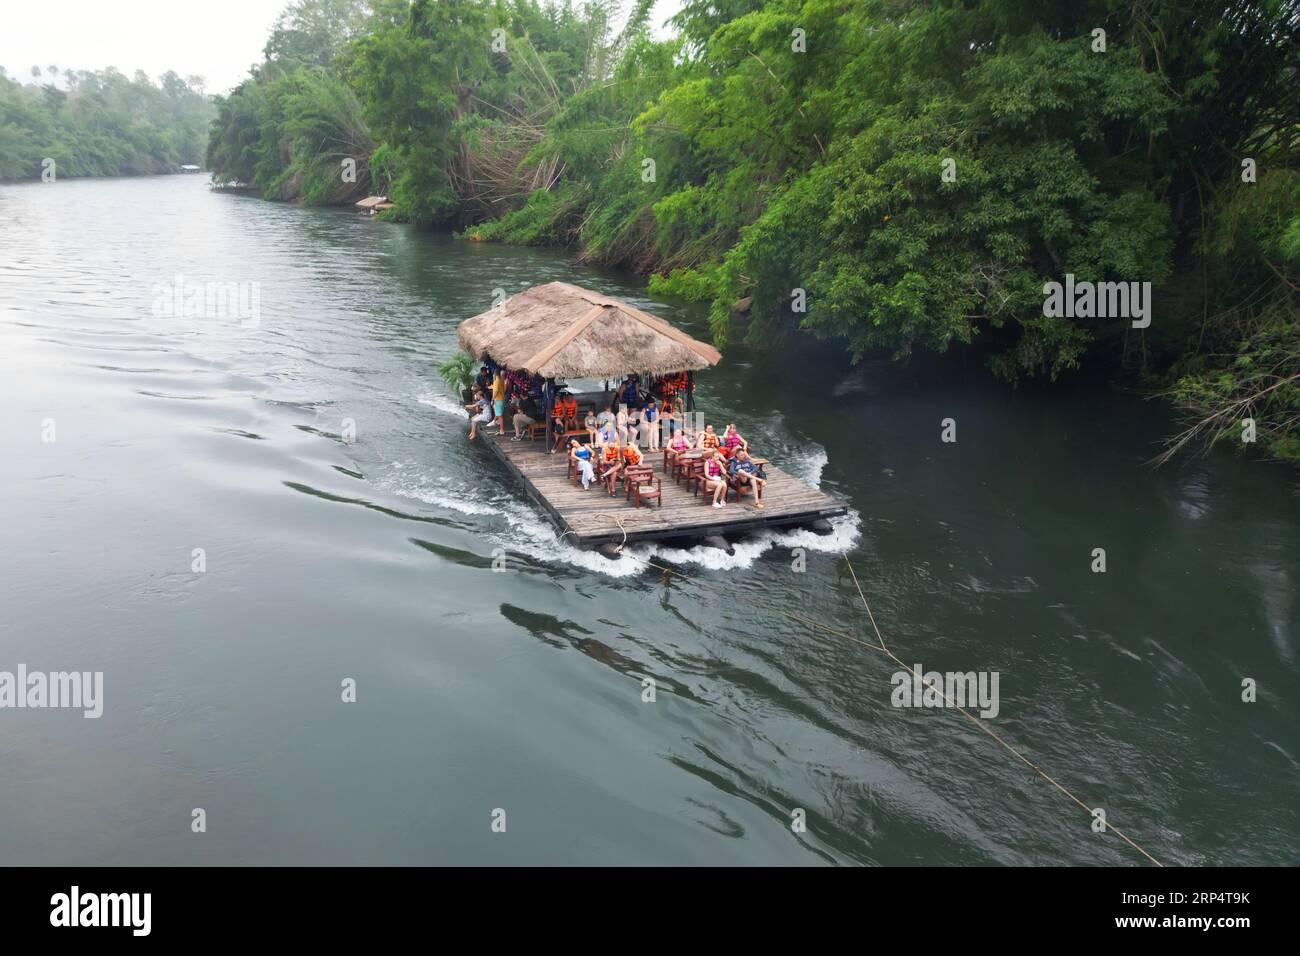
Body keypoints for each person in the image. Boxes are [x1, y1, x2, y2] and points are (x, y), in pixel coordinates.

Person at [490, 371, 507, 436]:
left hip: (498, 400)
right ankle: (500, 429)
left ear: (494, 374)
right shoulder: (502, 380)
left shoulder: (496, 381)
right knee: (500, 415)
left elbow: (496, 390)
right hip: (502, 398)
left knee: (500, 416)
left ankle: (502, 430)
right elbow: (504, 389)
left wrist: (493, 399)